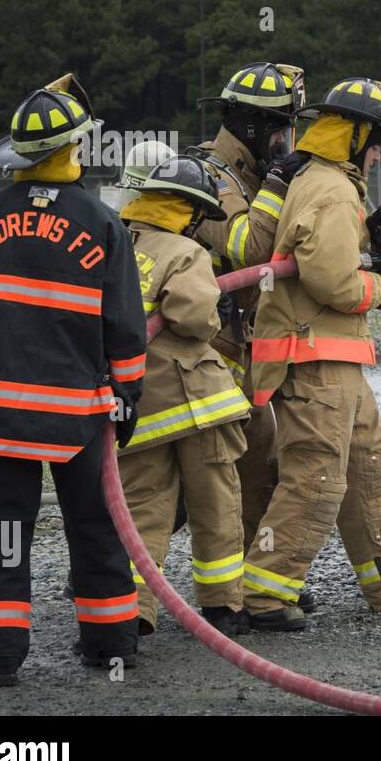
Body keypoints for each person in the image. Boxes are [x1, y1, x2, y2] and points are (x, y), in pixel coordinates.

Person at [0, 74, 146, 686]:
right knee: (94, 525)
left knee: (0, 535)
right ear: (73, 150)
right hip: (74, 413)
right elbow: (124, 327)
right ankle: (109, 645)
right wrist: (128, 398)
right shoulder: (102, 223)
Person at [244, 77, 381, 631]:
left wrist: (368, 244)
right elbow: (333, 281)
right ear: (355, 135)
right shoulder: (332, 189)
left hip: (335, 357)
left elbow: (322, 253)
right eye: (376, 140)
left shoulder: (327, 182)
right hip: (314, 356)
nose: (380, 152)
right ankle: (263, 595)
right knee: (318, 478)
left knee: (372, 466)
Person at [117, 154, 253, 637]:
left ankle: (132, 612)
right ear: (189, 211)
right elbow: (196, 317)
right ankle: (221, 607)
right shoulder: (183, 251)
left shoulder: (109, 247)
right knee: (215, 503)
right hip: (197, 404)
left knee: (142, 510)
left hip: (135, 408)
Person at [191, 62, 308, 599]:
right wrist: (282, 182)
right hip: (205, 354)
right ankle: (106, 584)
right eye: (283, 128)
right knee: (179, 487)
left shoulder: (261, 178)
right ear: (257, 128)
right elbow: (247, 248)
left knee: (259, 471)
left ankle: (251, 586)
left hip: (246, 349)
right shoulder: (206, 176)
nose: (290, 140)